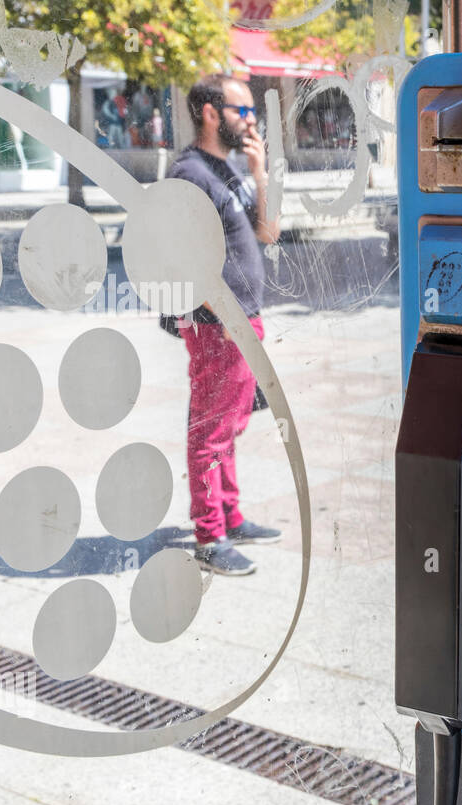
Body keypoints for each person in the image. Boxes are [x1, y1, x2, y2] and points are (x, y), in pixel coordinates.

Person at [166, 73, 282, 575]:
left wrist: (261, 174)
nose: (251, 120)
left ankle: (230, 516)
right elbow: (183, 258)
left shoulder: (227, 170)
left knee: (229, 424)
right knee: (211, 430)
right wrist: (223, 318)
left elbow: (269, 233)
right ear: (211, 113)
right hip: (218, 325)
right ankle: (210, 536)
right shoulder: (191, 174)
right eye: (243, 111)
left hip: (242, 320)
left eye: (252, 111)